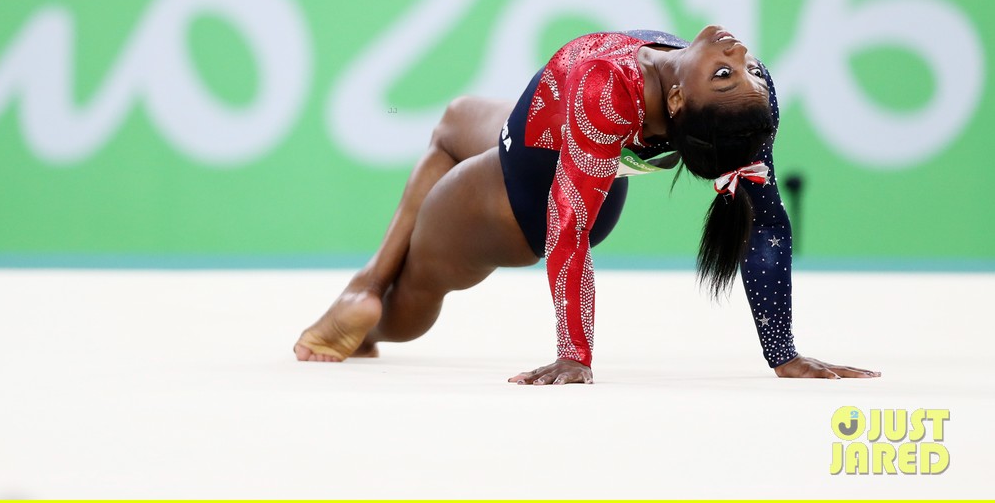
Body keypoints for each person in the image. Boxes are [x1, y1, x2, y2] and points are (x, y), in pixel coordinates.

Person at [293, 26, 880, 384]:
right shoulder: (751, 96)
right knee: (453, 118)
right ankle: (365, 280)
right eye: (743, 69)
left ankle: (376, 314)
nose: (743, 53)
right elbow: (768, 218)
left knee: (417, 288)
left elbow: (568, 226)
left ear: (677, 99)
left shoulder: (609, 90)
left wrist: (574, 353)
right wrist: (783, 353)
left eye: (727, 73)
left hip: (522, 197)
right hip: (552, 140)